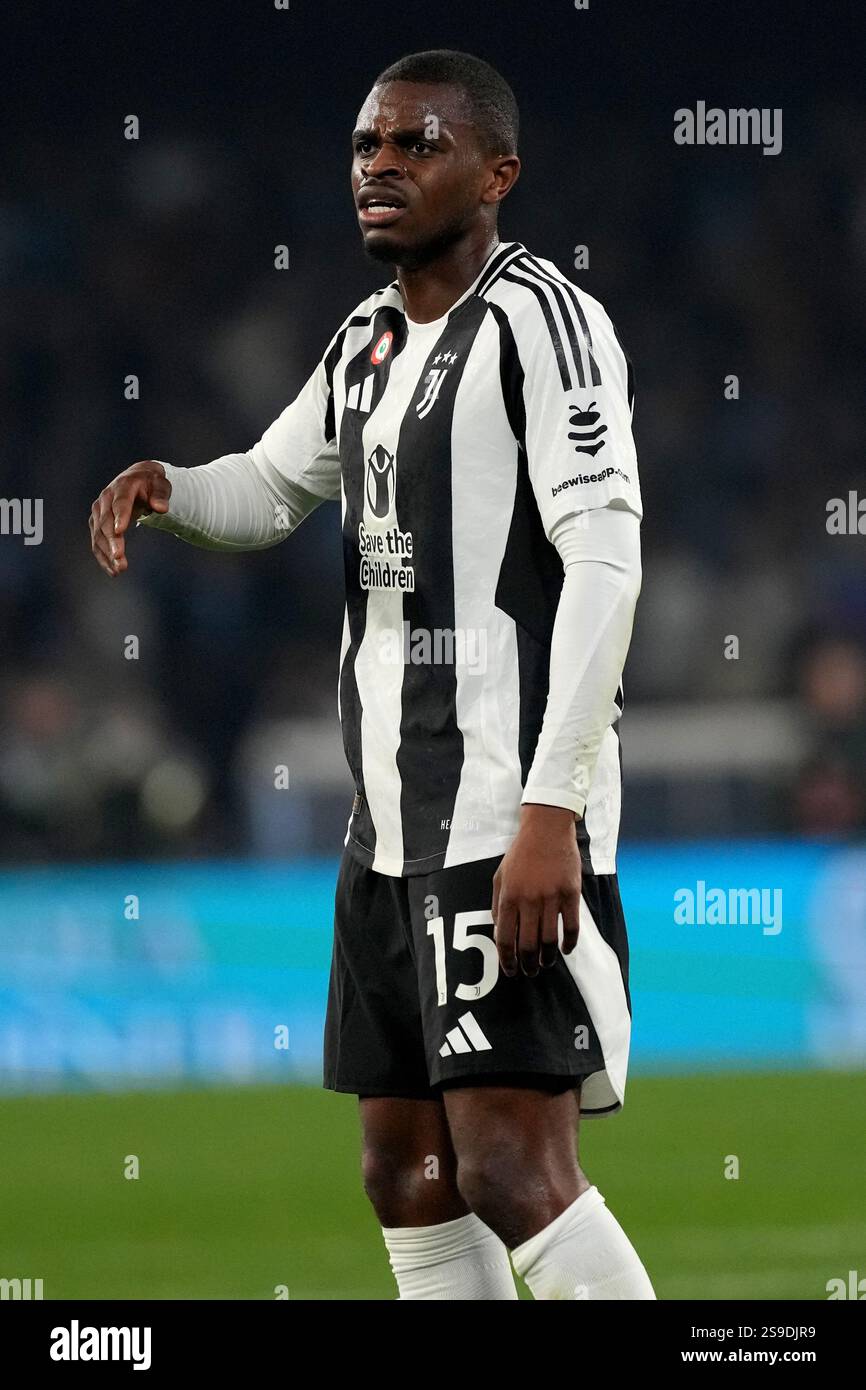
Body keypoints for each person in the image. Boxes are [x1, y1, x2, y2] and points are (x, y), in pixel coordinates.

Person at [89, 49, 653, 1301]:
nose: (380, 168)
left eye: (415, 145)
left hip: (507, 810)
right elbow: (272, 485)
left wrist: (553, 808)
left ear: (496, 174)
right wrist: (171, 488)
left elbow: (605, 569)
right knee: (405, 1169)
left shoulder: (542, 323)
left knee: (510, 1162)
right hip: (385, 829)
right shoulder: (364, 339)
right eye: (364, 147)